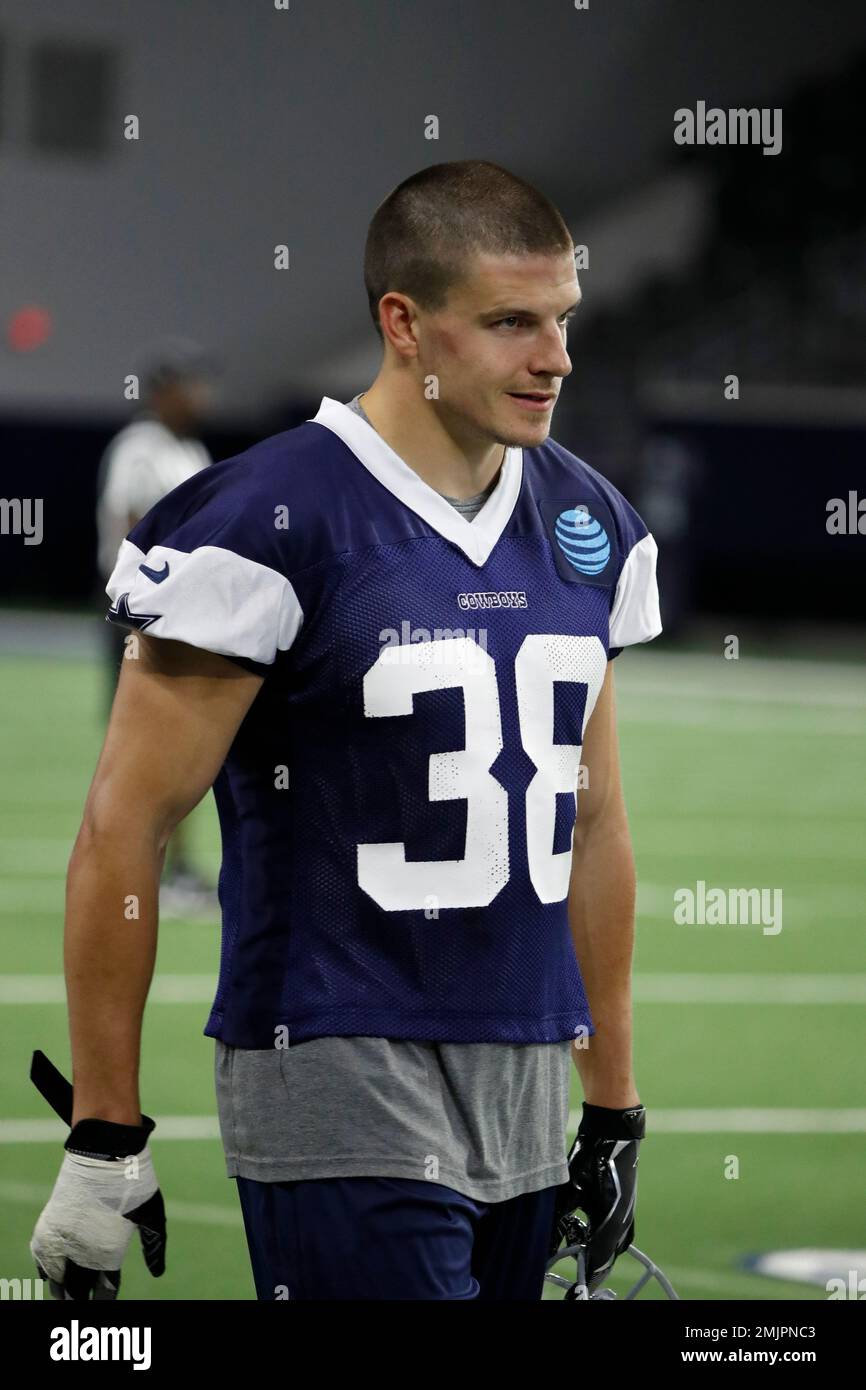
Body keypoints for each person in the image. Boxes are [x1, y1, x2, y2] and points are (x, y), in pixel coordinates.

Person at [31, 160, 661, 1301]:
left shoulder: (588, 520)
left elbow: (595, 820)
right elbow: (122, 829)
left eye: (561, 318)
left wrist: (612, 1101)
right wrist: (103, 1130)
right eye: (510, 322)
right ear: (403, 324)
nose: (554, 357)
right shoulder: (265, 520)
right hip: (329, 1053)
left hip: (522, 1066)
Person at [94, 338, 217, 908]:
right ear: (163, 393)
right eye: (186, 386)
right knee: (148, 747)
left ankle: (179, 869)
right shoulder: (141, 446)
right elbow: (134, 525)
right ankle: (142, 871)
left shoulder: (185, 448)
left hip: (186, 611)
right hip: (145, 613)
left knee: (187, 744)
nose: (197, 395)